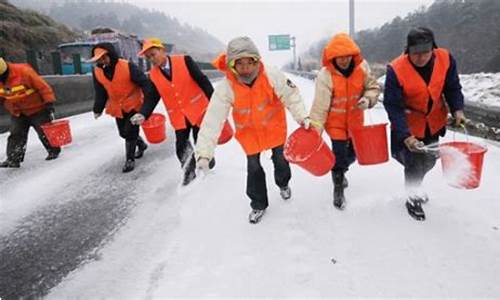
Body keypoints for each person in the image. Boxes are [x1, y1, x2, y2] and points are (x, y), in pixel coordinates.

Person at [195, 36, 309, 224]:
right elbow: (212, 121)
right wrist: (204, 153)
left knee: (281, 160)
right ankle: (258, 204)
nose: (246, 68)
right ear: (231, 65)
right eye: (240, 64)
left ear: (257, 60)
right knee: (254, 168)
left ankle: (283, 184)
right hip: (249, 135)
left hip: (274, 128)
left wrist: (303, 117)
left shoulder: (271, 75)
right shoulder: (226, 88)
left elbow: (291, 96)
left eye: (250, 62)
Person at [384, 27, 466, 221]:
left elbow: (452, 87)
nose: (421, 58)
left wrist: (457, 109)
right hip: (409, 124)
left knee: (429, 161)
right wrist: (406, 136)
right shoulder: (396, 69)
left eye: (425, 53)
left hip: (434, 121)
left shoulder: (445, 59)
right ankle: (413, 197)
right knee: (413, 164)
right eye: (416, 54)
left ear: (433, 49)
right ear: (408, 51)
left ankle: (416, 183)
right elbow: (393, 106)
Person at [309, 33, 381, 210]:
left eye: (347, 56)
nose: (344, 60)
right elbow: (320, 107)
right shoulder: (326, 76)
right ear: (332, 57)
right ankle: (338, 187)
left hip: (356, 123)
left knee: (353, 154)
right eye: (339, 57)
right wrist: (315, 132)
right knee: (339, 156)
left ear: (353, 55)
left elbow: (373, 87)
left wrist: (367, 99)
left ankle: (341, 170)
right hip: (335, 125)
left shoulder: (362, 68)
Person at [131, 38, 215, 186]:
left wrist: (215, 102)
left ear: (162, 50)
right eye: (148, 57)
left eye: (153, 54)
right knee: (181, 146)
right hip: (178, 115)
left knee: (200, 140)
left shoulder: (184, 60)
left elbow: (202, 81)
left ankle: (208, 160)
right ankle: (189, 174)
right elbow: (152, 97)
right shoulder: (154, 75)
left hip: (198, 110)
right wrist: (143, 114)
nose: (152, 59)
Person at [91, 43, 150, 173]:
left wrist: (147, 103)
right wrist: (97, 109)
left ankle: (130, 159)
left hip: (133, 103)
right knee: (123, 133)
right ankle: (141, 144)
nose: (102, 61)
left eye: (104, 57)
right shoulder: (97, 72)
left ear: (111, 55)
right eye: (99, 59)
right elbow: (100, 91)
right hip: (117, 106)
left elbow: (144, 82)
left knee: (130, 131)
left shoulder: (126, 66)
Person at [0, 57, 61, 168]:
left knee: (44, 131)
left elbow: (43, 87)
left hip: (37, 108)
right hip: (17, 111)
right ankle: (13, 158)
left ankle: (53, 151)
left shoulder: (24, 72)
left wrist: (49, 103)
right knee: (16, 134)